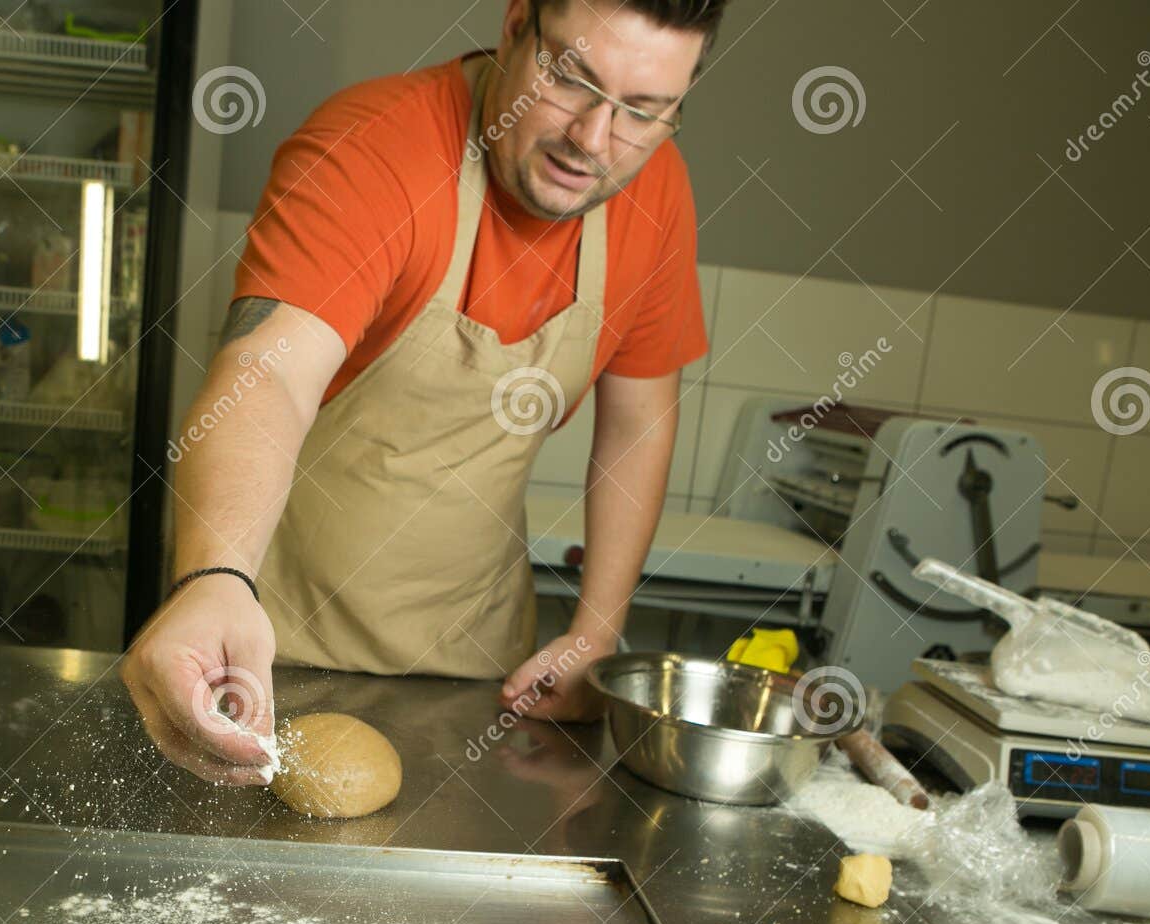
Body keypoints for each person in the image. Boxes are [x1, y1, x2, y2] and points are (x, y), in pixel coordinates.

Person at [124, 0, 722, 785]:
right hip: (270, 643)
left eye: (644, 112)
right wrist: (213, 581)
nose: (594, 139)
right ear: (516, 25)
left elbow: (639, 423)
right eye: (571, 78)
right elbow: (267, 375)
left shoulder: (656, 189)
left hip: (481, 666)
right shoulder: (374, 147)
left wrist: (598, 631)